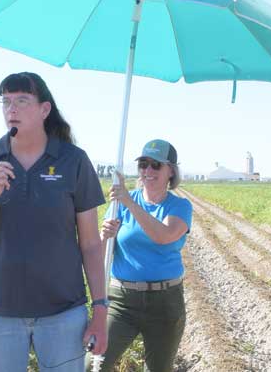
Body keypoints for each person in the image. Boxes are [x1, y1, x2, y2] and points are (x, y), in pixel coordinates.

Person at [0, 72, 108, 372]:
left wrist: (101, 310)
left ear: (44, 109)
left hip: (63, 312)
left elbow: (91, 245)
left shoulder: (74, 161)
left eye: (22, 101)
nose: (11, 109)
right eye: (6, 101)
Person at [98, 139, 192, 372]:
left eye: (156, 165)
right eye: (143, 164)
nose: (148, 170)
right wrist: (104, 236)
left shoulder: (180, 206)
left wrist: (129, 202)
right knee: (96, 364)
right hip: (122, 301)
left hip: (165, 302)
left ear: (171, 171)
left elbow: (164, 235)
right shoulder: (120, 204)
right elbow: (100, 253)